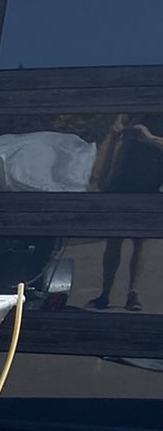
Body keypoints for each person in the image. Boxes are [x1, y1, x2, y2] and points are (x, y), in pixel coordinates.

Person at [86, 115, 163, 311]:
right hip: (119, 186)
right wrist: (114, 136)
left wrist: (150, 138)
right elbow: (109, 151)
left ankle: (133, 293)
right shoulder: (127, 118)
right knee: (113, 242)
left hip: (147, 187)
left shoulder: (156, 121)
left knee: (140, 243)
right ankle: (105, 293)